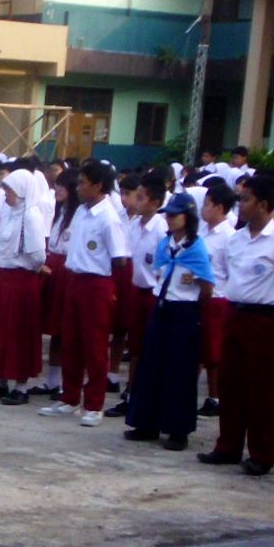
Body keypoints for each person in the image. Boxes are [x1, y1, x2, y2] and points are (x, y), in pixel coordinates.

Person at [198, 174, 274, 475]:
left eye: (246, 200)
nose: (240, 204)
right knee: (231, 383)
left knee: (262, 390)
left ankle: (263, 453)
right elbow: (223, 274)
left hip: (266, 319)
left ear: (263, 204)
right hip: (236, 315)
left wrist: (273, 307)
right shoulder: (236, 239)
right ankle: (228, 446)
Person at [39, 161, 129, 427]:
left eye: (82, 183)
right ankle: (69, 397)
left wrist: (102, 280)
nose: (78, 188)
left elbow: (120, 259)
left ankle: (94, 404)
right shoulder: (80, 213)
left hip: (97, 283)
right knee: (71, 341)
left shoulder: (108, 218)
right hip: (74, 280)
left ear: (98, 186)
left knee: (95, 345)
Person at [123, 192, 213, 450]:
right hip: (161, 306)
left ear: (189, 217)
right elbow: (159, 273)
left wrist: (191, 304)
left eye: (175, 215)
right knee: (152, 366)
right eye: (169, 215)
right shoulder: (164, 244)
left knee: (180, 371)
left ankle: (178, 429)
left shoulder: (196, 248)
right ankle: (146, 422)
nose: (170, 219)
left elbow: (206, 286)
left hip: (184, 310)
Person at [0, 170, 47, 403]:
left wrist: (24, 267)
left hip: (22, 280)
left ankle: (21, 386)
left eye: (10, 190)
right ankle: (0, 381)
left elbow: (38, 255)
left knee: (19, 332)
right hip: (5, 278)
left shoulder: (31, 216)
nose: (6, 194)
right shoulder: (10, 212)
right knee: (1, 330)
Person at [108, 172, 169, 418]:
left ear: (154, 202)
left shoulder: (161, 229)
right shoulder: (134, 225)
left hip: (153, 294)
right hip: (136, 291)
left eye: (142, 197)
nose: (137, 201)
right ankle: (131, 394)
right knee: (135, 348)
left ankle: (145, 397)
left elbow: (163, 268)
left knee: (148, 349)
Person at [35, 168, 81, 400]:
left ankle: (67, 382)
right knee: (54, 330)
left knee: (67, 331)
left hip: (68, 271)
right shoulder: (60, 212)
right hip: (53, 269)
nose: (58, 189)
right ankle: (52, 380)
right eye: (57, 185)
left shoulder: (80, 215)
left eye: (63, 185)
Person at [197, 183, 236, 418]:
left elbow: (232, 272)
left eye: (207, 205)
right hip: (198, 297)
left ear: (220, 208)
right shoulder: (202, 232)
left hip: (218, 299)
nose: (203, 209)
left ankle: (216, 397)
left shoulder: (229, 236)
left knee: (214, 355)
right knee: (199, 351)